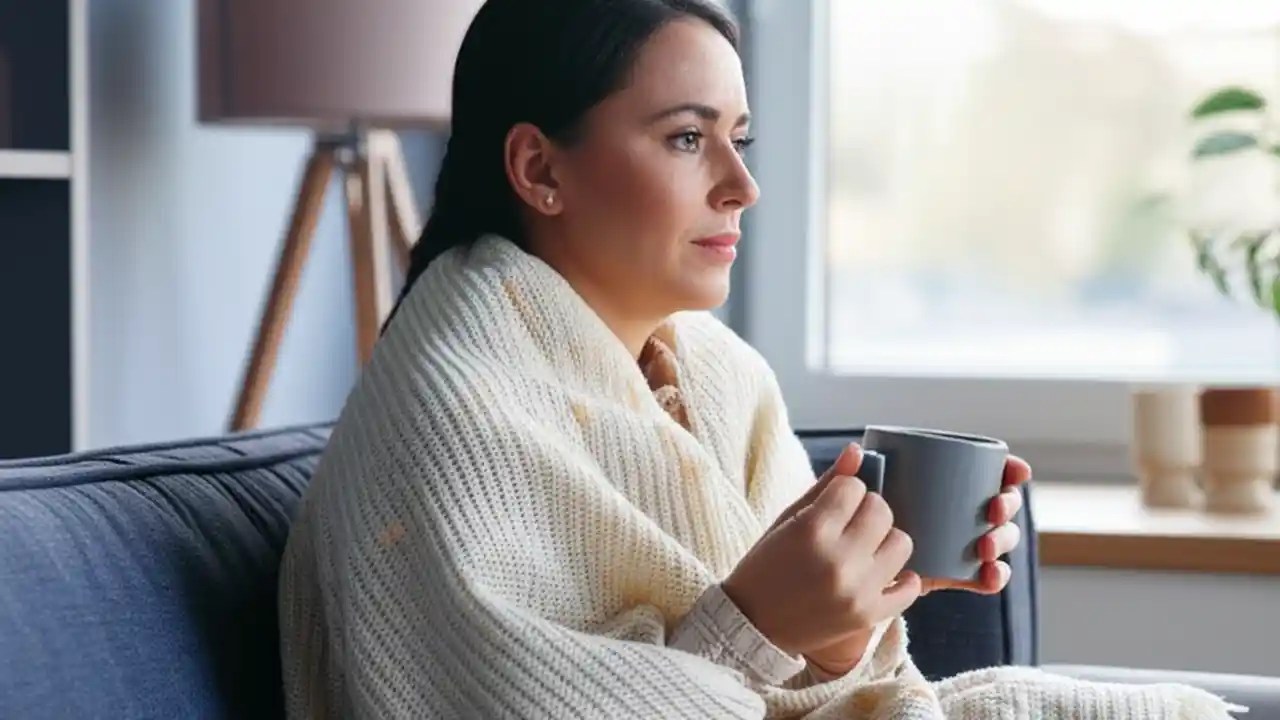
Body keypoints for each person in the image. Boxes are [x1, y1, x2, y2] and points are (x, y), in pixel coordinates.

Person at [276, 1, 1243, 718]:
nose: (743, 185)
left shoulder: (723, 376)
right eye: (688, 138)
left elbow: (828, 684)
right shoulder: (452, 412)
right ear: (538, 169)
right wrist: (761, 624)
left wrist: (863, 599)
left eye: (739, 139)